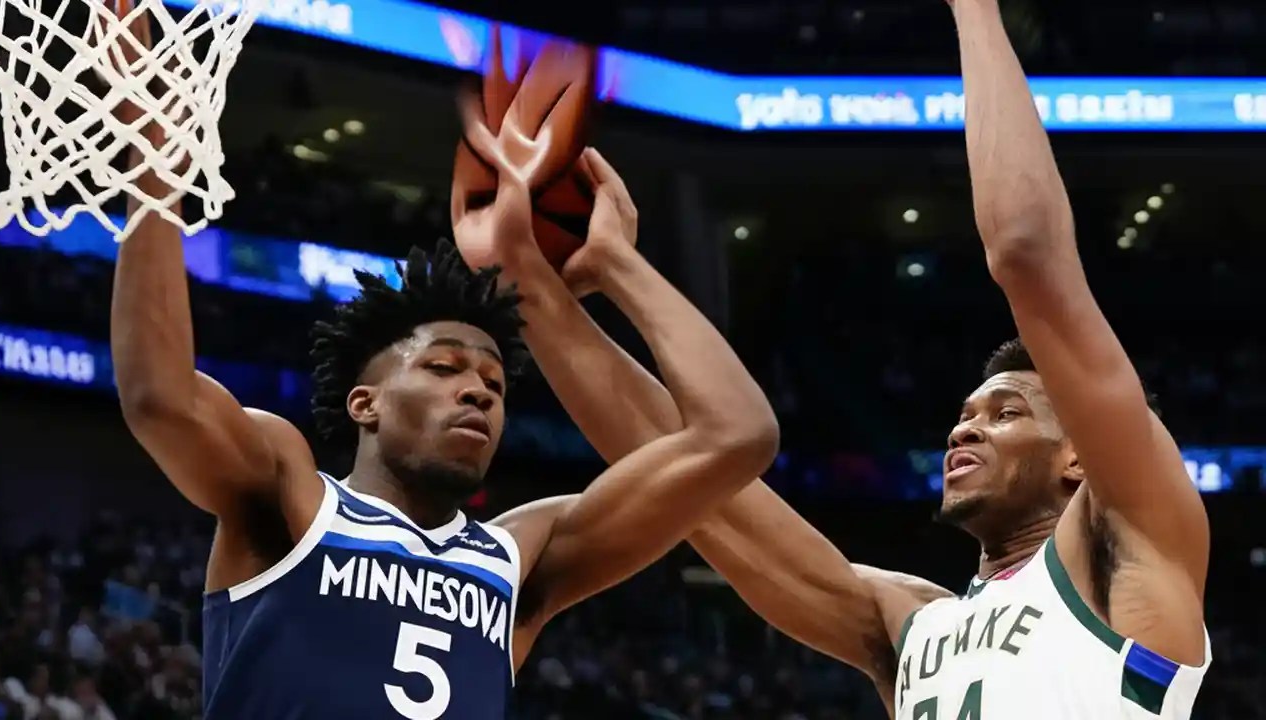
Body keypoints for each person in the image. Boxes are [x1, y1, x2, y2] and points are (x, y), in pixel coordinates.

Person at [493, 2, 1210, 718]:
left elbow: (1026, 252)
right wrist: (547, 289)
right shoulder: (912, 625)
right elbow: (691, 479)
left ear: (1079, 456)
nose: (964, 429)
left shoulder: (1129, 545)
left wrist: (975, 13)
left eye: (1006, 413)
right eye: (967, 414)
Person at [106, 7, 778, 719]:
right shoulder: (291, 493)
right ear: (365, 403)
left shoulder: (521, 556)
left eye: (493, 383)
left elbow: (736, 437)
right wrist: (154, 168)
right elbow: (159, 398)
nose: (478, 392)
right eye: (442, 367)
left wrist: (619, 266)